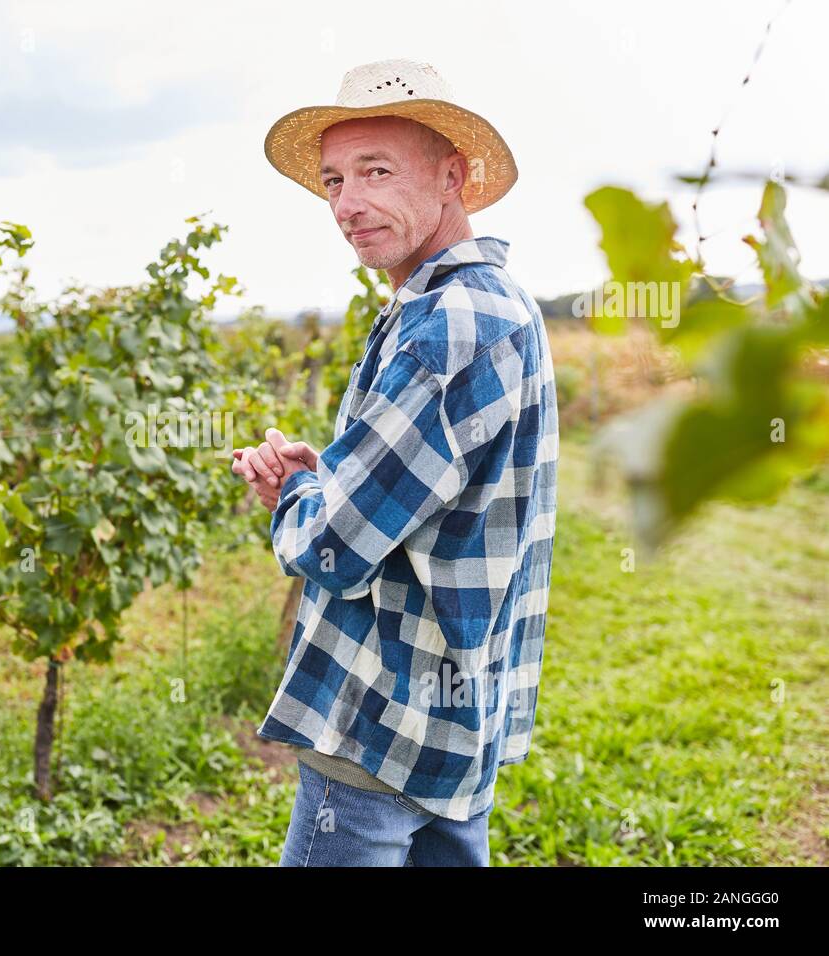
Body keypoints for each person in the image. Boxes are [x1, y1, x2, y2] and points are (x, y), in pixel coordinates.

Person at [232, 58, 558, 867]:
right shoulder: (495, 300)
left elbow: (332, 547)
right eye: (335, 180)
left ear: (454, 176)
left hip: (384, 712)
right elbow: (429, 491)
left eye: (377, 172)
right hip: (459, 708)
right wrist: (334, 471)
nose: (347, 205)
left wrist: (295, 491)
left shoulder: (448, 321)